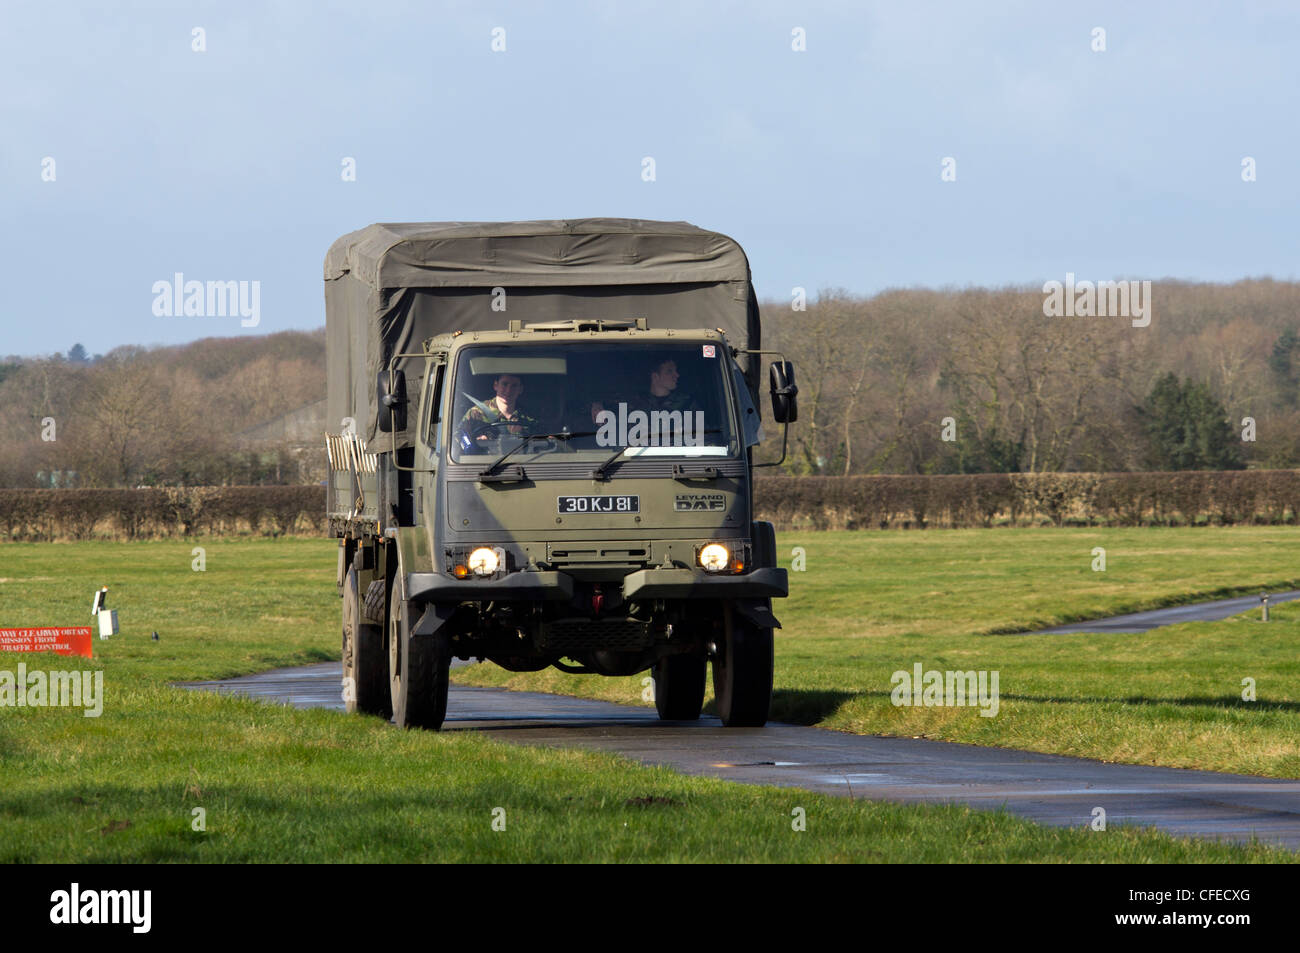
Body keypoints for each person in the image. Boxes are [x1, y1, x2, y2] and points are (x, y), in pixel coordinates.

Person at [460, 373, 538, 442]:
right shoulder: (476, 413)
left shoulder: (529, 418)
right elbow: (457, 438)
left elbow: (544, 442)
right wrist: (475, 442)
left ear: (520, 389)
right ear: (496, 385)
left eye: (514, 386)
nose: (508, 390)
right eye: (504, 384)